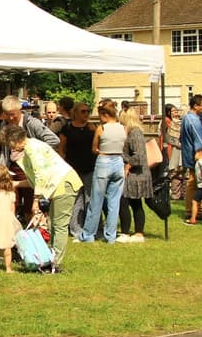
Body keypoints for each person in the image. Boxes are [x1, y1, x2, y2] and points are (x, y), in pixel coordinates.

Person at [2, 124, 81, 271]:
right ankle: (49, 258)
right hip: (57, 186)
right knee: (52, 225)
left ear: (15, 141)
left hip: (64, 184)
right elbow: (34, 180)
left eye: (9, 144)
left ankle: (55, 264)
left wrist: (36, 201)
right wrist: (16, 184)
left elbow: (40, 175)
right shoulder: (29, 148)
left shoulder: (32, 148)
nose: (9, 147)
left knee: (59, 225)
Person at [79, 103, 125, 244]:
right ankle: (110, 236)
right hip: (119, 161)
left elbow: (94, 148)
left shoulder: (101, 128)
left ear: (104, 114)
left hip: (104, 161)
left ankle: (88, 234)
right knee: (114, 202)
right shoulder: (123, 128)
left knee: (96, 201)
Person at [58, 102, 96, 237]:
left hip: (89, 167)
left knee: (90, 199)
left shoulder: (92, 128)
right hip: (73, 168)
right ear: (75, 113)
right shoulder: (67, 128)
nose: (86, 114)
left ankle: (92, 228)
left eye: (88, 111)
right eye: (83, 111)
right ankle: (76, 228)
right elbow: (61, 148)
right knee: (75, 199)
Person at [180, 95, 202, 225]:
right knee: (197, 182)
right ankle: (196, 210)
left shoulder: (186, 118)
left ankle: (193, 210)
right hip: (196, 154)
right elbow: (198, 139)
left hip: (188, 152)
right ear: (195, 106)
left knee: (193, 181)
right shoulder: (194, 120)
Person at [118, 108, 150, 242]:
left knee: (125, 202)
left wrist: (128, 165)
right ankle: (137, 232)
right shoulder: (133, 132)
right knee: (135, 203)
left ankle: (129, 232)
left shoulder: (135, 133)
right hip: (135, 173)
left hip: (135, 174)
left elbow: (140, 155)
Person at [184, 149, 202, 225]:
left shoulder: (201, 161)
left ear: (201, 153)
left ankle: (193, 219)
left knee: (194, 202)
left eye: (196, 153)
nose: (194, 155)